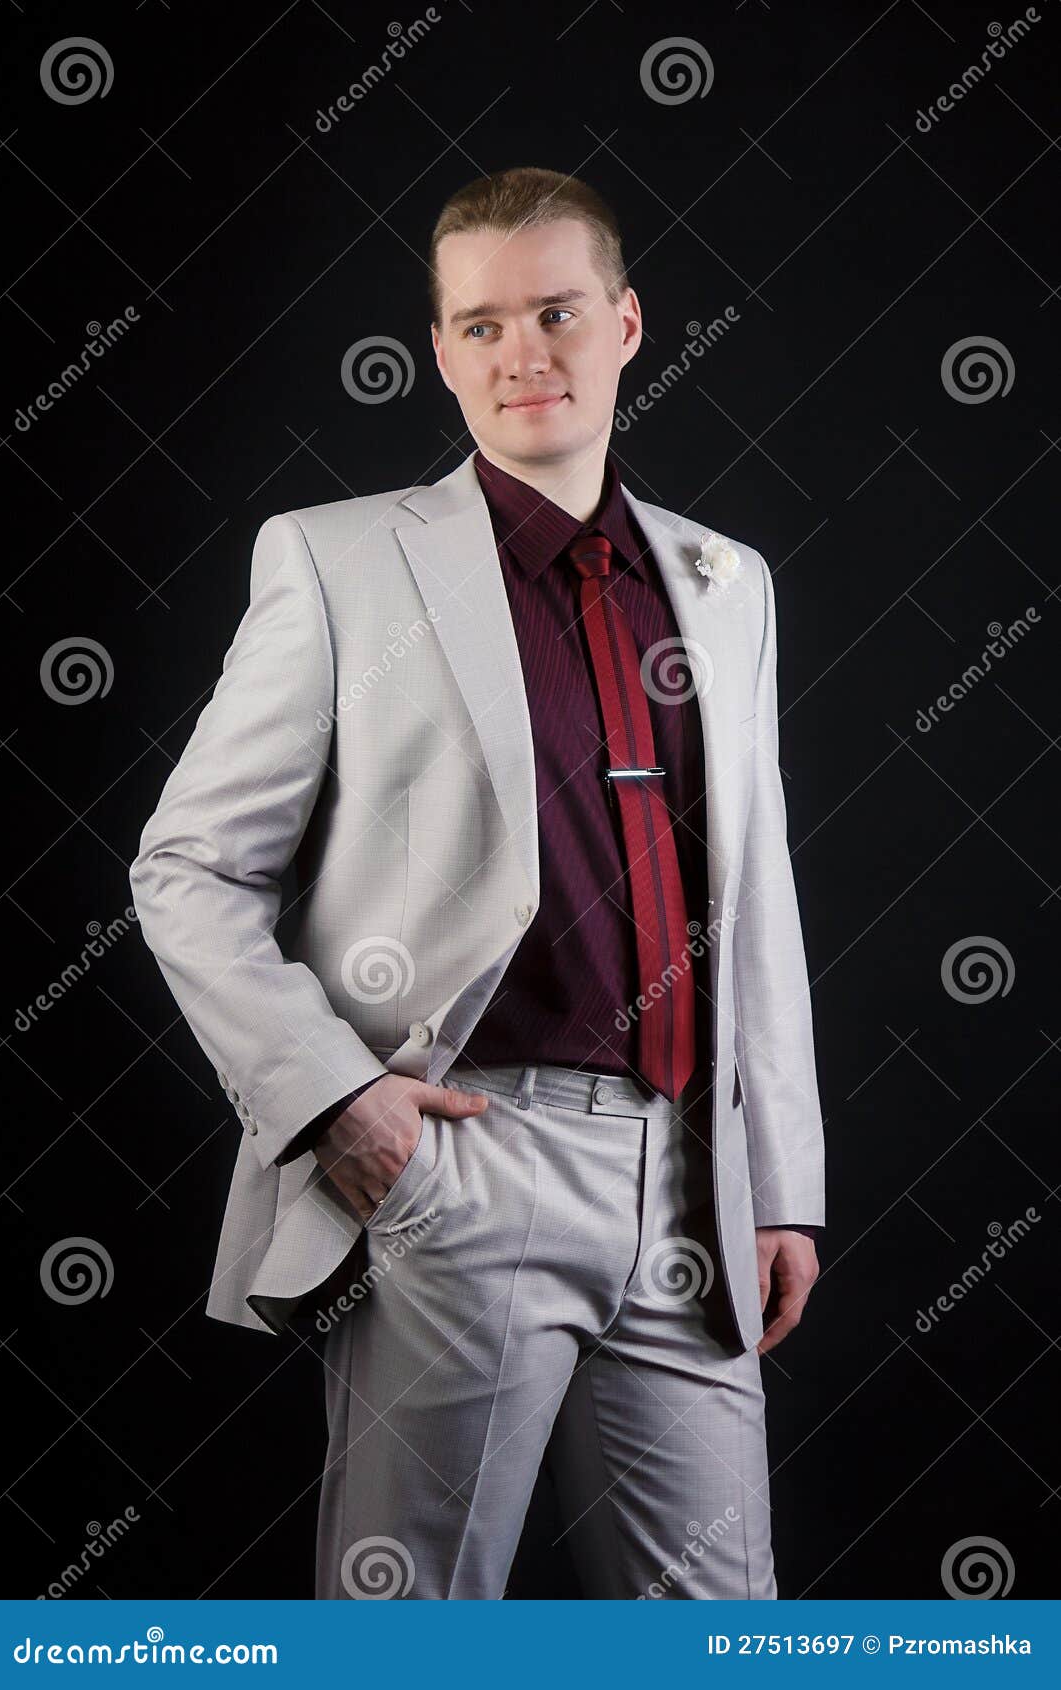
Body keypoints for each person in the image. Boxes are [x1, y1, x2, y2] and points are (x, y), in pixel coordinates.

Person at [129, 165, 825, 1601]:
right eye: (483, 323)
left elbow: (759, 901)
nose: (525, 352)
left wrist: (784, 1183)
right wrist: (338, 1099)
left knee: (719, 1631)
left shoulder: (726, 579)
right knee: (415, 1627)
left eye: (558, 311)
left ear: (627, 324)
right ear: (442, 350)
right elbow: (188, 865)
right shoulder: (335, 564)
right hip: (462, 1157)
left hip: (689, 1179)